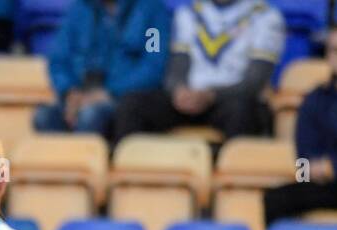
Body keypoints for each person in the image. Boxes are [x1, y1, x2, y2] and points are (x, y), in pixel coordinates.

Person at [112, 0, 284, 142]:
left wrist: (211, 95)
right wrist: (179, 90)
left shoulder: (265, 16)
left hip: (229, 99)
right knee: (133, 105)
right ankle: (131, 175)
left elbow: (254, 81)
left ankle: (234, 177)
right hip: (188, 96)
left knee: (243, 111)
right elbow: (177, 67)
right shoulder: (189, 13)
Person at [34, 0, 170, 138]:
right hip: (81, 94)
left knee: (91, 115)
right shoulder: (79, 8)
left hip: (123, 100)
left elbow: (153, 67)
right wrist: (69, 91)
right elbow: (59, 59)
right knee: (44, 116)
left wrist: (110, 92)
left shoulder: (153, 11)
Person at [264, 22, 337, 225]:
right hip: (325, 185)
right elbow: (302, 157)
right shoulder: (314, 99)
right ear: (327, 54)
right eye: (336, 50)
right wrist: (308, 176)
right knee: (277, 198)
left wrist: (334, 166)